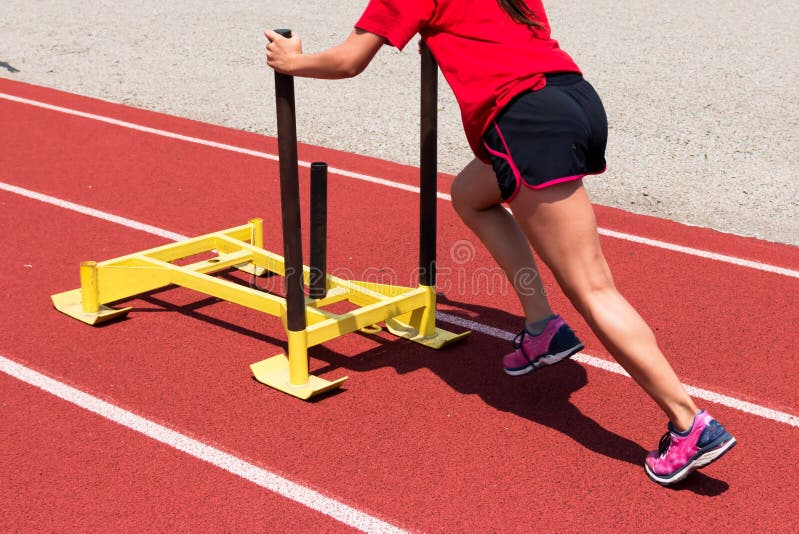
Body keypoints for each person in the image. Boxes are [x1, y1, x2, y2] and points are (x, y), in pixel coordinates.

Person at [264, 0, 736, 485]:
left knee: (592, 287)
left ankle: (689, 424)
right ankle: (542, 327)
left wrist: (292, 62)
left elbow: (349, 61)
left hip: (525, 118)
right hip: (571, 97)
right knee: (470, 195)